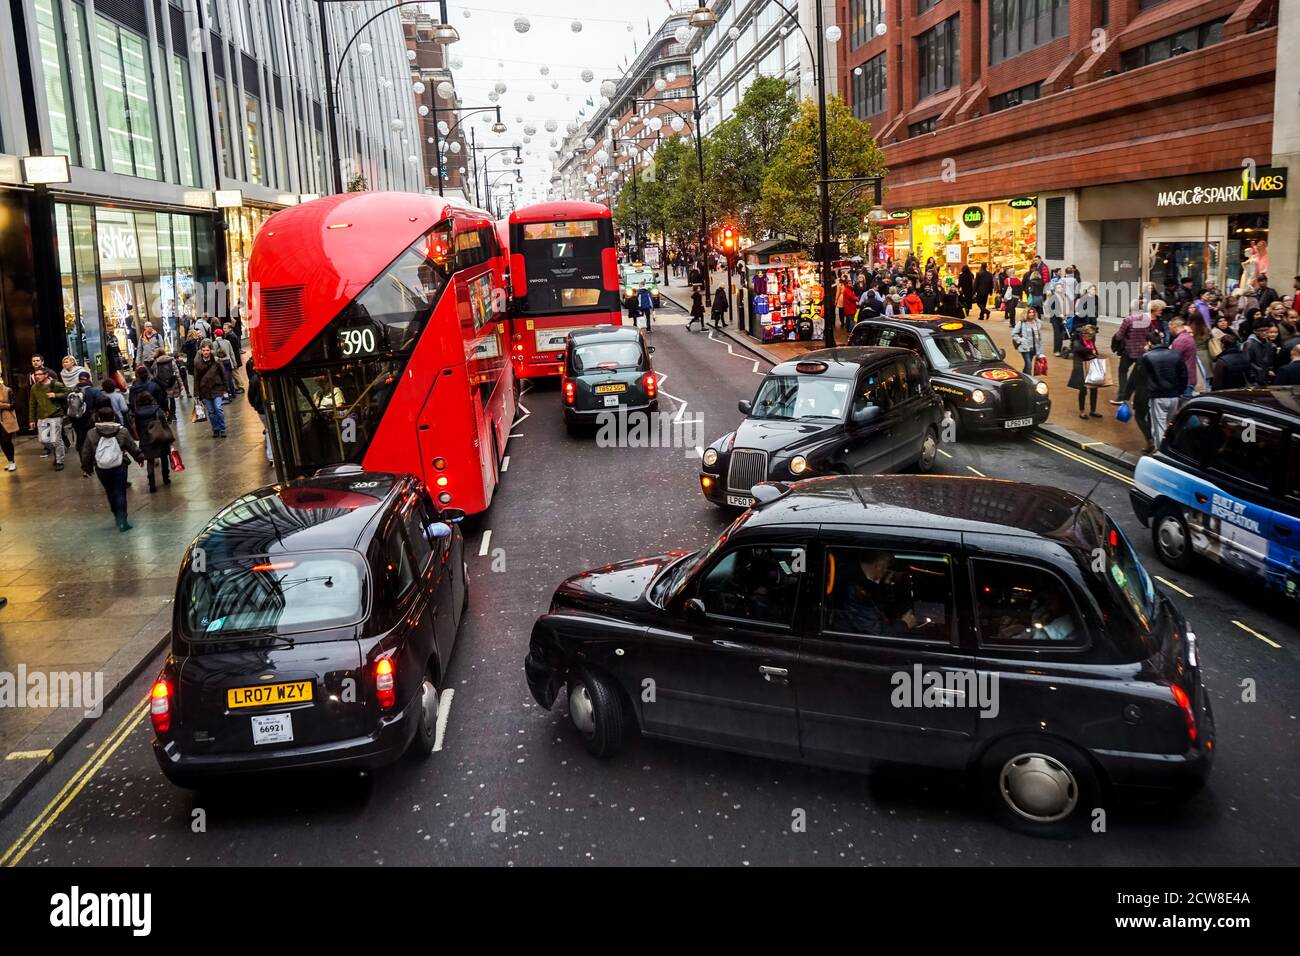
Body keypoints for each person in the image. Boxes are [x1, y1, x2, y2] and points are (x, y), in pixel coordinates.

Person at [81, 407, 143, 532]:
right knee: (120, 492)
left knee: (110, 492)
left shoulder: (91, 433)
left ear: (98, 418)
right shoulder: (122, 431)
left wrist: (87, 468)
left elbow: (86, 452)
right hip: (119, 466)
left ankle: (116, 515)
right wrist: (139, 458)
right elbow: (131, 446)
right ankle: (123, 521)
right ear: (113, 417)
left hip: (101, 468)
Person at [1137, 332, 1188, 446]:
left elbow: (1141, 377)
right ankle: (1170, 447)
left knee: (1159, 426)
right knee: (1170, 424)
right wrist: (1180, 392)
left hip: (1158, 396)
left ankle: (1161, 453)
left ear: (1149, 343)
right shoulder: (1176, 354)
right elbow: (1183, 375)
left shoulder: (1147, 357)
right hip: (1174, 396)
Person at [1117, 331, 1162, 454]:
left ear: (1149, 343)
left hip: (1144, 393)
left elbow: (1133, 379)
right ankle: (1156, 442)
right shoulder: (1166, 355)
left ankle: (1150, 440)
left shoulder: (1144, 358)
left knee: (1140, 417)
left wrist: (1126, 396)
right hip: (1160, 393)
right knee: (1154, 417)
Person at [131, 389, 173, 492]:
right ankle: (165, 477)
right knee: (164, 457)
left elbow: (138, 427)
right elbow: (164, 423)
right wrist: (170, 436)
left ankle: (152, 482)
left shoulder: (138, 413)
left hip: (146, 439)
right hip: (159, 437)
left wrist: (140, 437)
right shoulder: (157, 410)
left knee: (150, 460)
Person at [27, 367, 67, 469]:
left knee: (55, 439)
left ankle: (59, 461)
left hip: (55, 414)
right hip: (41, 416)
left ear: (46, 375)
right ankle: (57, 451)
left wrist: (55, 395)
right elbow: (32, 403)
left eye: (39, 374)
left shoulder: (55, 384)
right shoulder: (34, 388)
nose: (37, 377)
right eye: (35, 375)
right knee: (43, 440)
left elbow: (67, 393)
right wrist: (31, 419)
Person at [193, 340, 228, 437]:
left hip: (217, 388)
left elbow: (223, 374)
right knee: (211, 412)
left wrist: (225, 388)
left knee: (218, 408)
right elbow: (196, 379)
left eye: (207, 350)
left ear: (211, 350)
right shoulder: (197, 363)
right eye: (203, 350)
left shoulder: (217, 361)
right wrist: (196, 394)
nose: (205, 352)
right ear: (200, 351)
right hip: (205, 390)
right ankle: (215, 429)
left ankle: (222, 428)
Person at [1067, 325, 1103, 420]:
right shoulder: (1077, 341)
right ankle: (1082, 411)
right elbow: (1078, 349)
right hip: (1081, 368)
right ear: (1084, 334)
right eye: (1089, 336)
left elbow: (1095, 352)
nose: (1091, 338)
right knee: (1083, 390)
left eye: (1092, 336)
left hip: (1091, 367)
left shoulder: (1090, 341)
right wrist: (1091, 350)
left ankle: (1093, 410)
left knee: (1094, 389)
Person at [246, 354, 274, 464]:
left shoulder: (254, 379)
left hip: (261, 410)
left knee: (269, 430)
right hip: (267, 409)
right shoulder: (269, 377)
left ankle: (271, 456)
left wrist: (256, 406)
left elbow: (250, 397)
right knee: (272, 430)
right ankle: (272, 455)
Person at [65, 370, 97, 456]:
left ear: (79, 380)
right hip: (90, 420)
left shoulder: (72, 391)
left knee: (81, 439)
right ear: (88, 379)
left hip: (77, 420)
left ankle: (84, 462)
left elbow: (68, 406)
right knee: (92, 439)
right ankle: (93, 459)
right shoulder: (93, 390)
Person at [1167, 318, 1198, 398]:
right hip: (1189, 378)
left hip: (1184, 380)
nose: (1170, 331)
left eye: (1170, 328)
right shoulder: (1187, 337)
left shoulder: (1180, 340)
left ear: (1174, 327)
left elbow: (1173, 361)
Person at [1013, 307, 1045, 374]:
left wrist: (1040, 349)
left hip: (1034, 348)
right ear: (1026, 313)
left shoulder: (1037, 322)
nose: (1031, 314)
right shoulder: (1022, 322)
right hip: (1025, 347)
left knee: (1028, 364)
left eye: (1033, 312)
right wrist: (1022, 340)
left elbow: (1039, 337)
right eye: (1029, 312)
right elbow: (1014, 334)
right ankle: (1029, 380)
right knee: (1029, 365)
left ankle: (1024, 376)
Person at [153, 351, 182, 419]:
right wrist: (181, 384)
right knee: (172, 399)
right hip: (172, 383)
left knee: (165, 400)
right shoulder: (171, 361)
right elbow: (177, 373)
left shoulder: (156, 363)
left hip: (162, 385)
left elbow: (155, 375)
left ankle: (168, 414)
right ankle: (173, 415)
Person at [212, 328, 238, 398]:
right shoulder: (227, 342)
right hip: (228, 362)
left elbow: (214, 355)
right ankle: (233, 393)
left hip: (220, 362)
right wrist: (234, 363)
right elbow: (232, 353)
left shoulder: (214, 344)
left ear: (216, 335)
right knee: (229, 378)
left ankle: (226, 395)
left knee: (222, 379)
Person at [0, 372, 17, 472]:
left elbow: (13, 405)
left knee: (6, 441)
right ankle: (9, 461)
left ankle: (12, 462)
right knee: (2, 443)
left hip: (7, 419)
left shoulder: (7, 390)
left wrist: (2, 405)